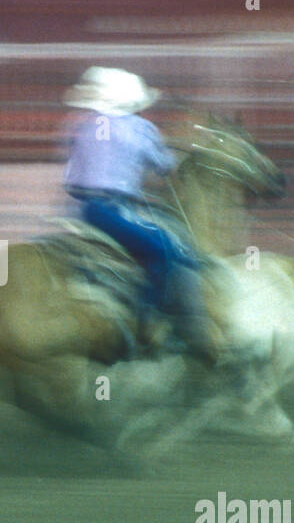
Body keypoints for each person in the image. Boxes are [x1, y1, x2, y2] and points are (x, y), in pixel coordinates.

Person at [61, 66, 217, 363]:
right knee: (163, 249)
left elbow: (72, 173)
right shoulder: (140, 129)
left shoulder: (80, 124)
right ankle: (146, 320)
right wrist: (188, 145)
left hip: (81, 209)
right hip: (114, 209)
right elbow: (165, 166)